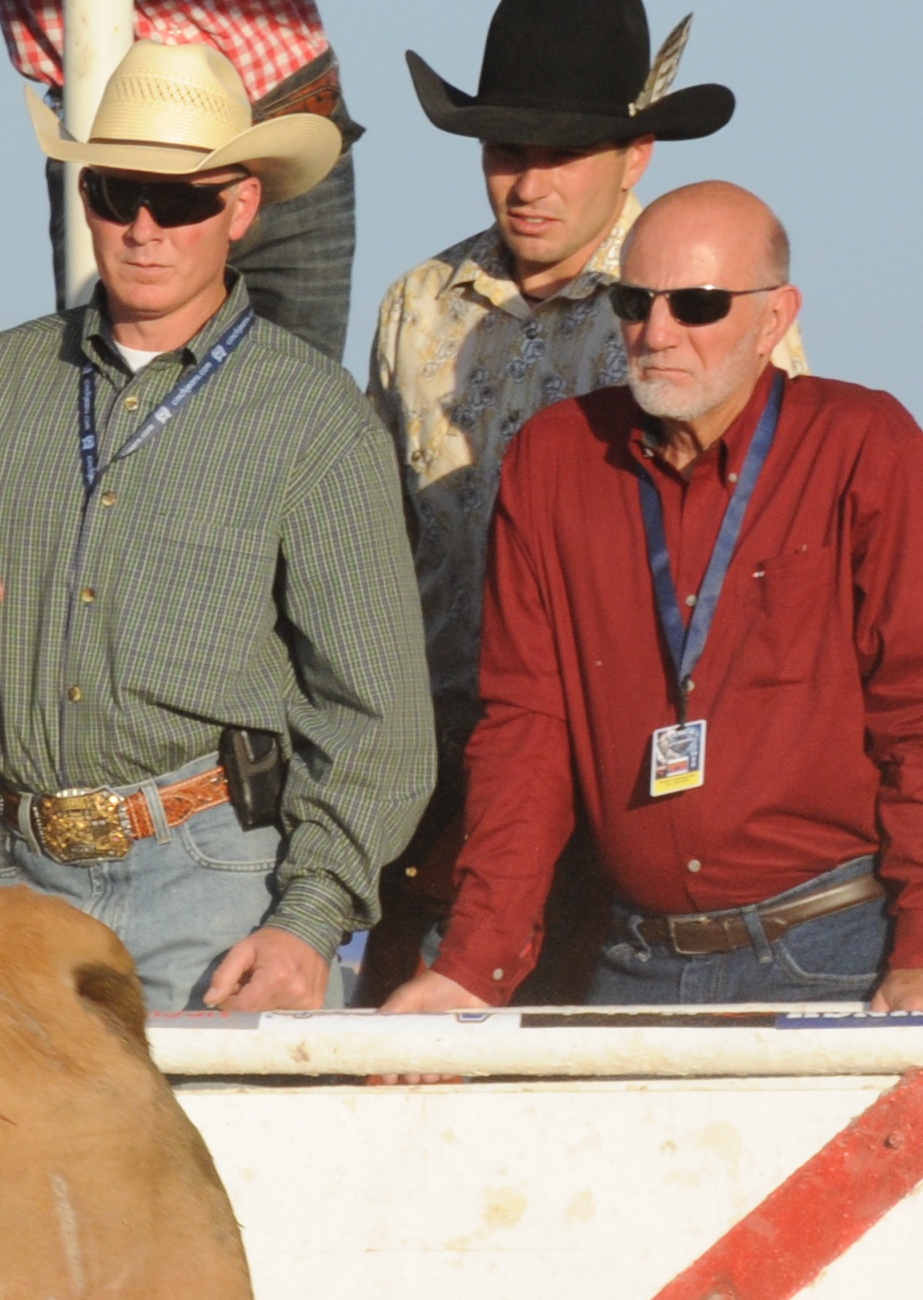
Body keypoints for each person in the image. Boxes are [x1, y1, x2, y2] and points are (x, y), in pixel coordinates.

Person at [0, 41, 429, 1014]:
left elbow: (375, 720)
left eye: (177, 201)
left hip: (214, 882)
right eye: (115, 192)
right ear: (83, 192)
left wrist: (304, 924)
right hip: (14, 875)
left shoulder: (314, 417)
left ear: (240, 208)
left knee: (223, 1163)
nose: (141, 228)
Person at [384, 186, 923, 1015]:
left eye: (698, 305)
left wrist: (921, 950)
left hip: (840, 951)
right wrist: (472, 964)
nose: (657, 333)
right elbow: (527, 727)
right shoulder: (557, 461)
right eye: (634, 302)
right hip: (634, 956)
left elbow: (915, 709)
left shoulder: (863, 444)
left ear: (775, 320)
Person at [361, 0, 792, 997]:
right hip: (447, 780)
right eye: (506, 148)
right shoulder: (415, 305)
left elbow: (769, 551)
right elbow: (379, 542)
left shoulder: (706, 299)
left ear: (634, 156)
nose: (529, 181)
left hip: (643, 781)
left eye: (563, 152)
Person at [0, 0, 360, 360]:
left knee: (297, 395)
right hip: (109, 132)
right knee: (108, 381)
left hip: (278, 111)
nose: (145, 229)